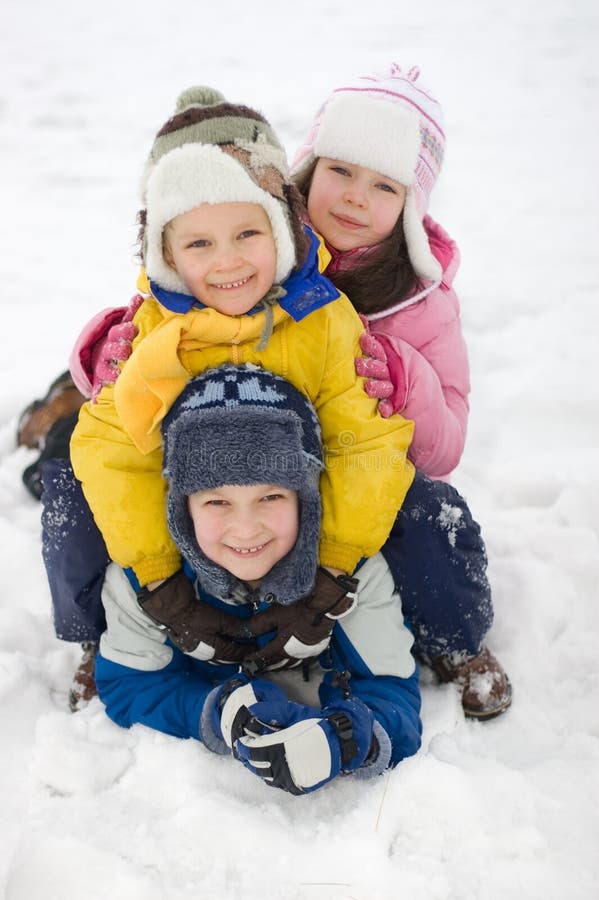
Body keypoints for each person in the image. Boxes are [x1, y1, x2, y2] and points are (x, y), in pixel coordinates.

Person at [43, 85, 414, 707]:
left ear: (284, 228)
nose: (227, 262)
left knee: (409, 508)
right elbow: (116, 456)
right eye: (198, 244)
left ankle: (429, 637)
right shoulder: (152, 337)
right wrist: (158, 582)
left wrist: (332, 570)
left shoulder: (322, 321)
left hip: (285, 509)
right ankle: (95, 636)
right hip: (193, 514)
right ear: (164, 253)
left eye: (249, 233)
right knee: (72, 497)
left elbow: (365, 444)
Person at [289, 63, 511, 717]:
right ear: (308, 169)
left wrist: (409, 381)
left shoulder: (423, 302)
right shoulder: (253, 250)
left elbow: (446, 448)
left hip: (367, 477)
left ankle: (456, 643)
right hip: (261, 467)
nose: (356, 197)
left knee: (428, 514)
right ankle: (128, 643)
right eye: (341, 171)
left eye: (384, 184)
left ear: (411, 203)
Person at [95, 363, 422, 795]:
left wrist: (351, 739)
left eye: (270, 496)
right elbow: (130, 684)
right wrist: (215, 711)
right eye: (217, 502)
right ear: (181, 508)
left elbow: (390, 687)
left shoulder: (355, 572)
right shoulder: (146, 581)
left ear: (305, 497)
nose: (246, 529)